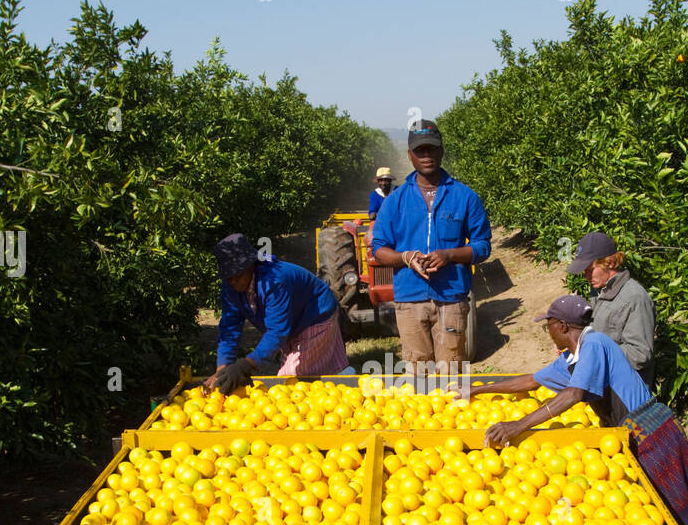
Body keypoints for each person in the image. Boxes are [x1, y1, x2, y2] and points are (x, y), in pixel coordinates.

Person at [461, 294, 688, 525]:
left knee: (671, 510)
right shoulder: (571, 358)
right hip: (628, 433)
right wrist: (478, 390)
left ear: (563, 327)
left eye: (550, 327)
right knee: (651, 508)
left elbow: (574, 394)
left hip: (650, 432)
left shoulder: (595, 344)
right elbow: (531, 382)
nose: (549, 333)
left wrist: (518, 425)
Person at [370, 119, 491, 370]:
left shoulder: (465, 197)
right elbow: (379, 248)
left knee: (451, 374)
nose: (426, 156)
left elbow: (483, 246)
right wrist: (406, 258)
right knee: (418, 375)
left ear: (441, 150)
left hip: (451, 299)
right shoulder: (396, 201)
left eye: (432, 149)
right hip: (409, 301)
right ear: (410, 155)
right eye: (420, 151)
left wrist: (450, 255)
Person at [204, 233, 348, 393]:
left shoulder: (274, 281)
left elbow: (277, 331)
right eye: (228, 277)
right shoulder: (230, 287)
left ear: (251, 266)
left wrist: (246, 364)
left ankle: (341, 387)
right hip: (292, 319)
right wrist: (222, 369)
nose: (233, 281)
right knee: (301, 373)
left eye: (237, 275)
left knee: (291, 383)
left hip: (315, 314)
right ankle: (343, 380)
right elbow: (229, 328)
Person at [566, 231, 656, 388]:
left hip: (625, 392)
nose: (585, 275)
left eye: (589, 269)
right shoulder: (599, 290)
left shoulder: (634, 297)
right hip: (602, 384)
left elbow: (640, 354)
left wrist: (593, 354)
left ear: (610, 263)